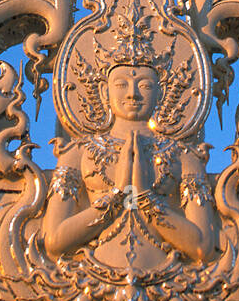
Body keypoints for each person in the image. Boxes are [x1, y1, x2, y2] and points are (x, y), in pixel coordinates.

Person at [43, 61, 217, 265]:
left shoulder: (182, 156)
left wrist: (144, 196)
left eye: (145, 85)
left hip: (168, 279)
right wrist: (117, 195)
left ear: (160, 94)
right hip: (91, 273)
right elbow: (54, 241)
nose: (132, 94)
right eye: (121, 84)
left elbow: (202, 246)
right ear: (104, 91)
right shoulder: (78, 153)